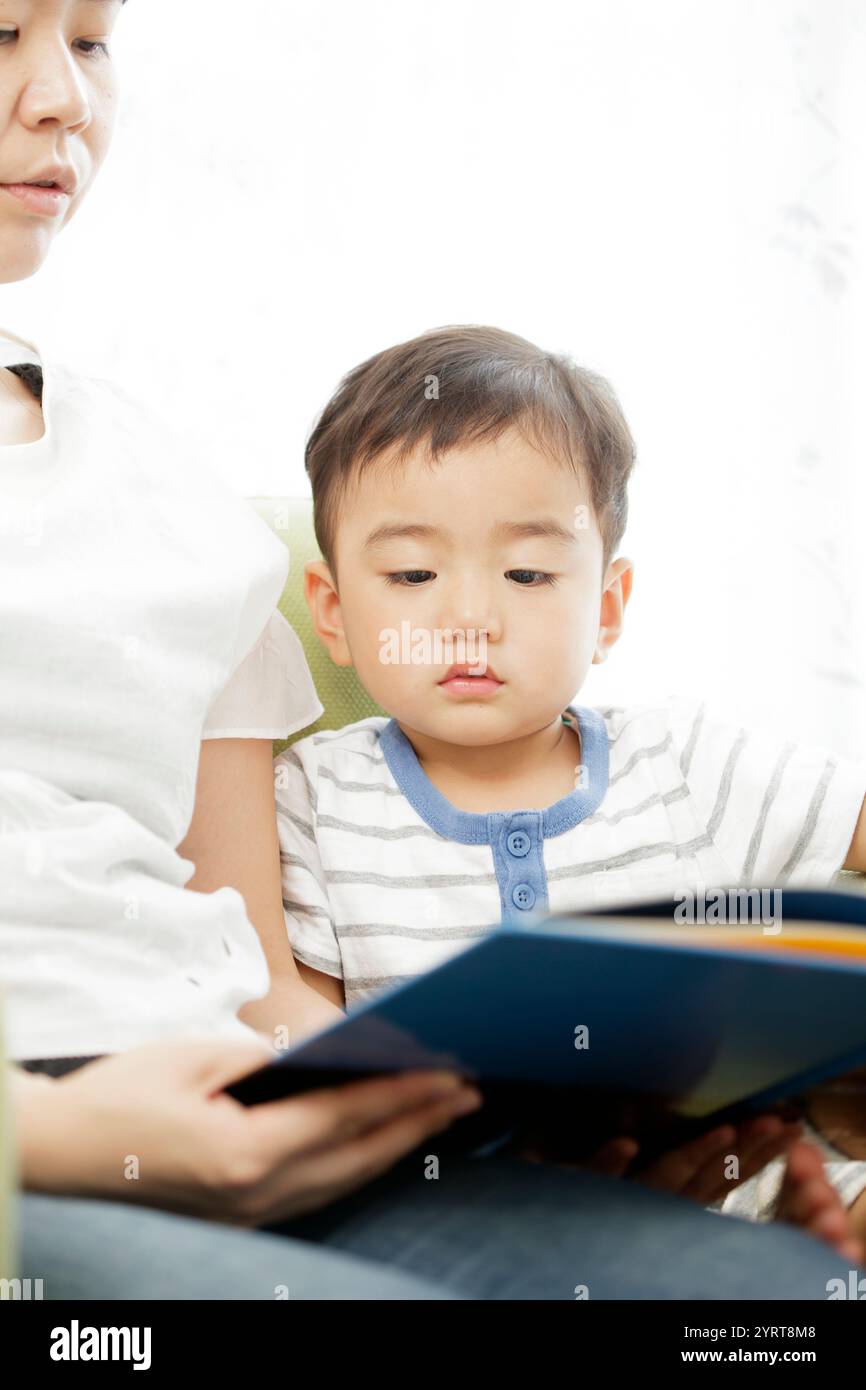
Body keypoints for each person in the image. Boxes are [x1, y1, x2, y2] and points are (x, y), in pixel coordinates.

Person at [1, 1, 863, 1300]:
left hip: (248, 1103)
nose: (65, 96)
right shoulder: (327, 765)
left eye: (91, 39)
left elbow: (260, 973)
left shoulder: (173, 507)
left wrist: (475, 1132)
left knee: (778, 1300)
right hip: (67, 1125)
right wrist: (61, 1130)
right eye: (3, 32)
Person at [275, 322, 866, 1251]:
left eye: (527, 572)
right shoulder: (312, 800)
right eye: (413, 573)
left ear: (606, 608)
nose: (471, 616)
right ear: (335, 612)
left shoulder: (684, 763)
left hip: (742, 1197)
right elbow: (300, 1044)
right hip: (464, 1217)